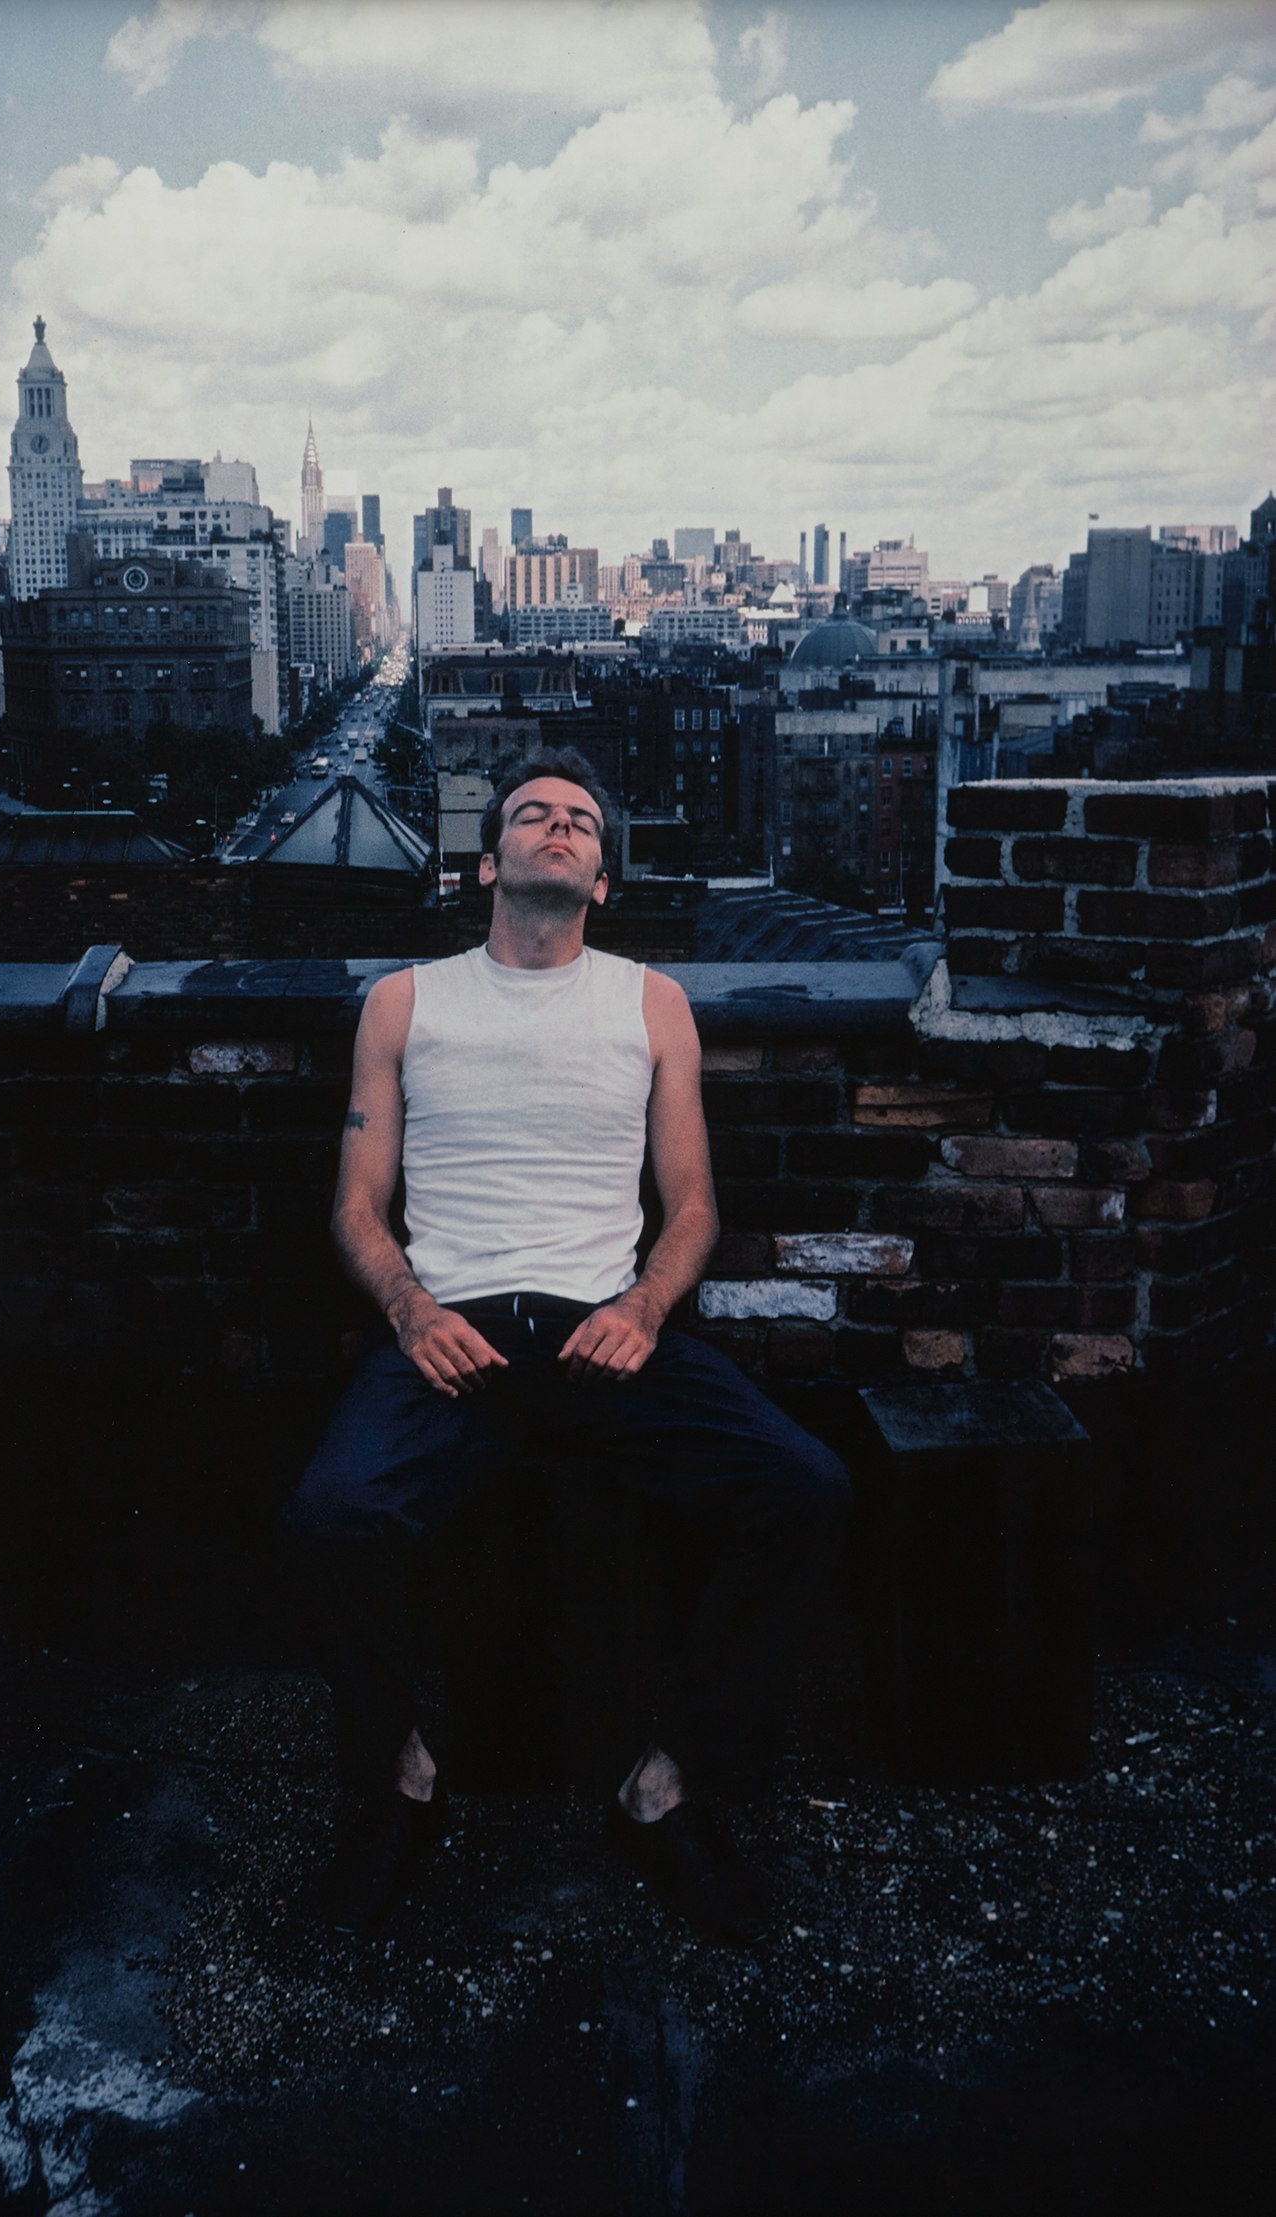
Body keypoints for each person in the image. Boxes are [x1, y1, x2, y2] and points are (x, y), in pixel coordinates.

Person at [282, 751, 849, 1942]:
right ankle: (400, 1783)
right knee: (334, 1513)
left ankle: (669, 1785)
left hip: (606, 1326)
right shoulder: (407, 1000)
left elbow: (691, 1204)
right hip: (452, 1332)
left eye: (581, 822)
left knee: (801, 1487)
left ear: (602, 880)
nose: (558, 828)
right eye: (532, 816)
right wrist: (411, 1312)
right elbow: (354, 1203)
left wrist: (642, 1312)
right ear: (488, 862)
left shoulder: (650, 1002)